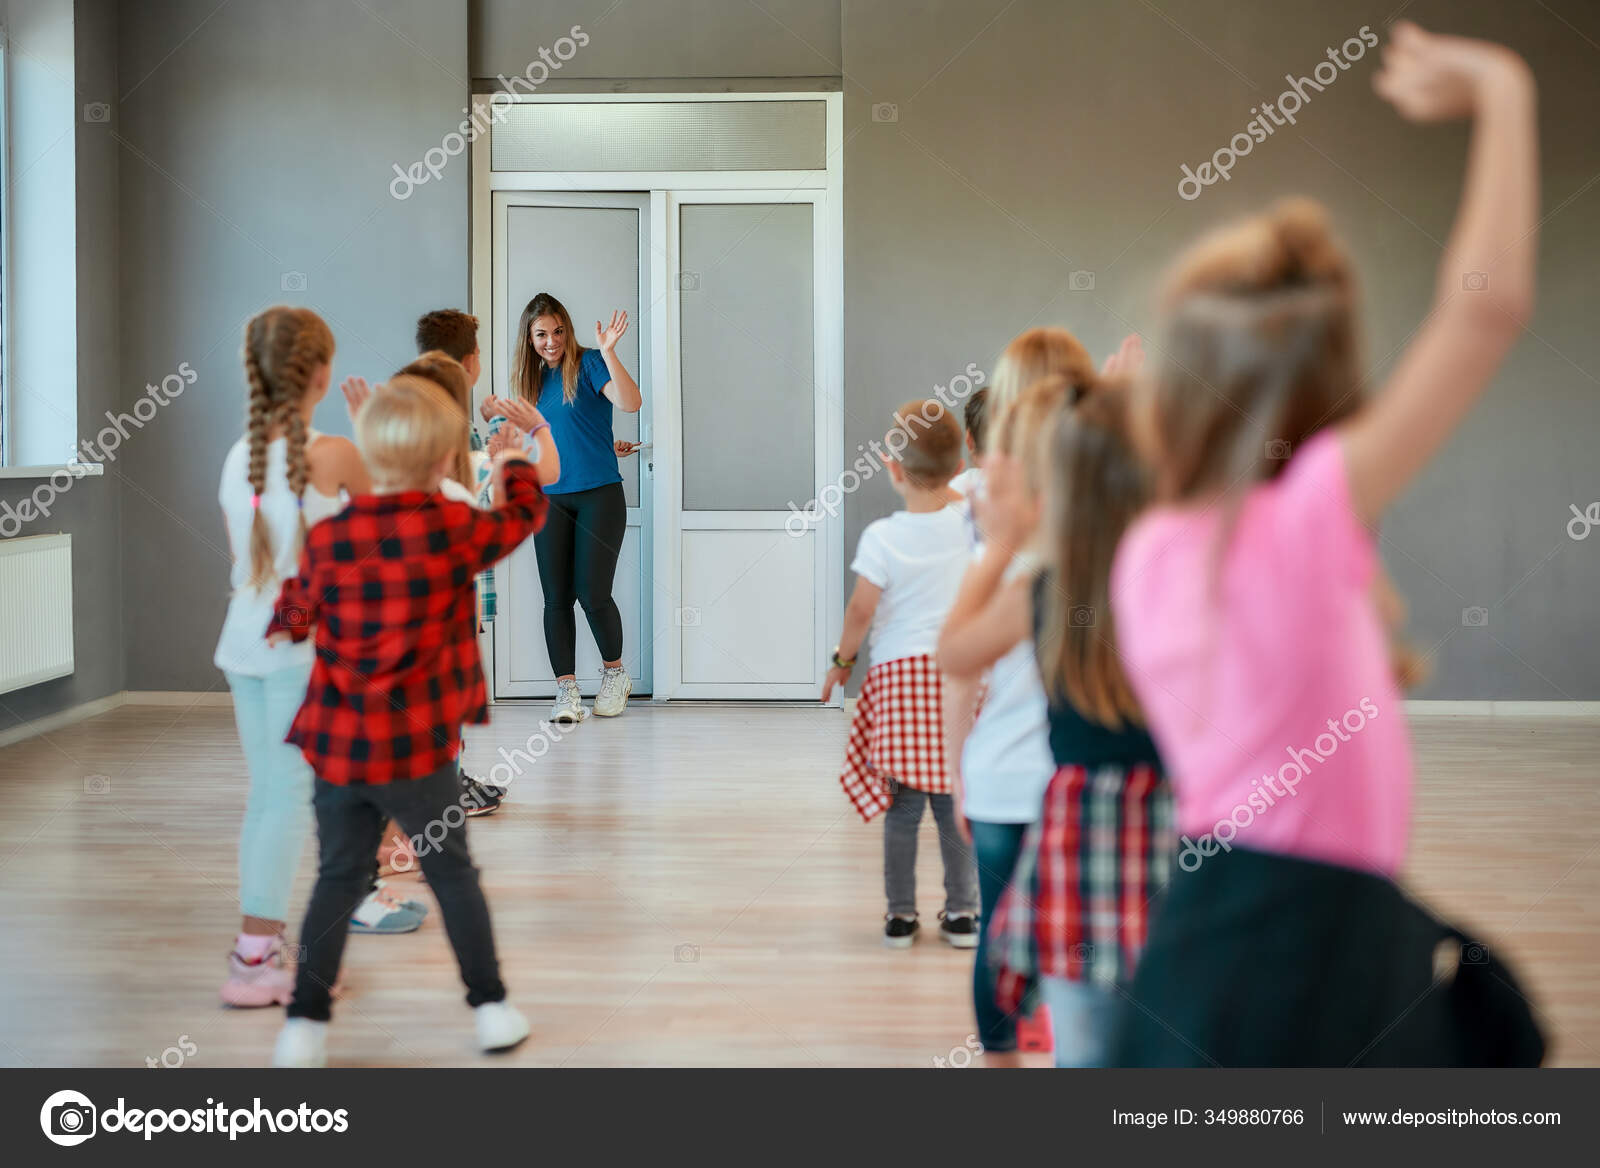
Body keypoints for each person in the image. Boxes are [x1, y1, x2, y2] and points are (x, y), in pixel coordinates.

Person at [1110, 23, 1544, 1065]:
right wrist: (1503, 87)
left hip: (1201, 945)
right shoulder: (1304, 519)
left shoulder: (1150, 550)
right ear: (1323, 397)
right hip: (1304, 959)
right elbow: (1485, 314)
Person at [270, 376, 549, 1066]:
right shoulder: (451, 527)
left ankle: (303, 1027)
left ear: (367, 455)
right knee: (452, 875)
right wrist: (513, 460)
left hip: (337, 746)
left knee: (337, 877)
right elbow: (521, 519)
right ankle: (491, 1010)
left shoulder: (332, 534)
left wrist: (288, 621)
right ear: (442, 462)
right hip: (418, 748)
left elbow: (296, 615)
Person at [946, 377, 1172, 1067]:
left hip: (1081, 829)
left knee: (1084, 1036)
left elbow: (954, 652)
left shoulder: (1042, 590)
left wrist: (999, 545)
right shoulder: (1173, 582)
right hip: (1171, 822)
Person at [214, 307, 423, 1007]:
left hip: (244, 646)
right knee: (309, 800)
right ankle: (272, 952)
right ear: (324, 374)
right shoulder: (335, 453)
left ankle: (259, 949)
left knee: (273, 798)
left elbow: (244, 563)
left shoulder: (238, 456)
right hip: (310, 658)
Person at [829, 399, 979, 948]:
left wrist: (842, 663)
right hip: (960, 677)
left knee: (903, 806)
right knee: (953, 801)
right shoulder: (971, 525)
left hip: (898, 682)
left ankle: (900, 916)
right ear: (960, 467)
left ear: (891, 469)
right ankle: (962, 914)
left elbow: (860, 613)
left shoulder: (882, 538)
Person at [481, 292, 641, 724]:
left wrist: (609, 353)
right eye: (541, 334)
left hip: (599, 495)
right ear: (529, 339)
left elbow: (630, 402)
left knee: (592, 593)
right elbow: (549, 441)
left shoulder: (589, 363)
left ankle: (614, 675)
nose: (551, 341)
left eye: (557, 331)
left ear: (567, 330)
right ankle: (566, 691)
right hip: (549, 499)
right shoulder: (530, 384)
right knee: (556, 598)